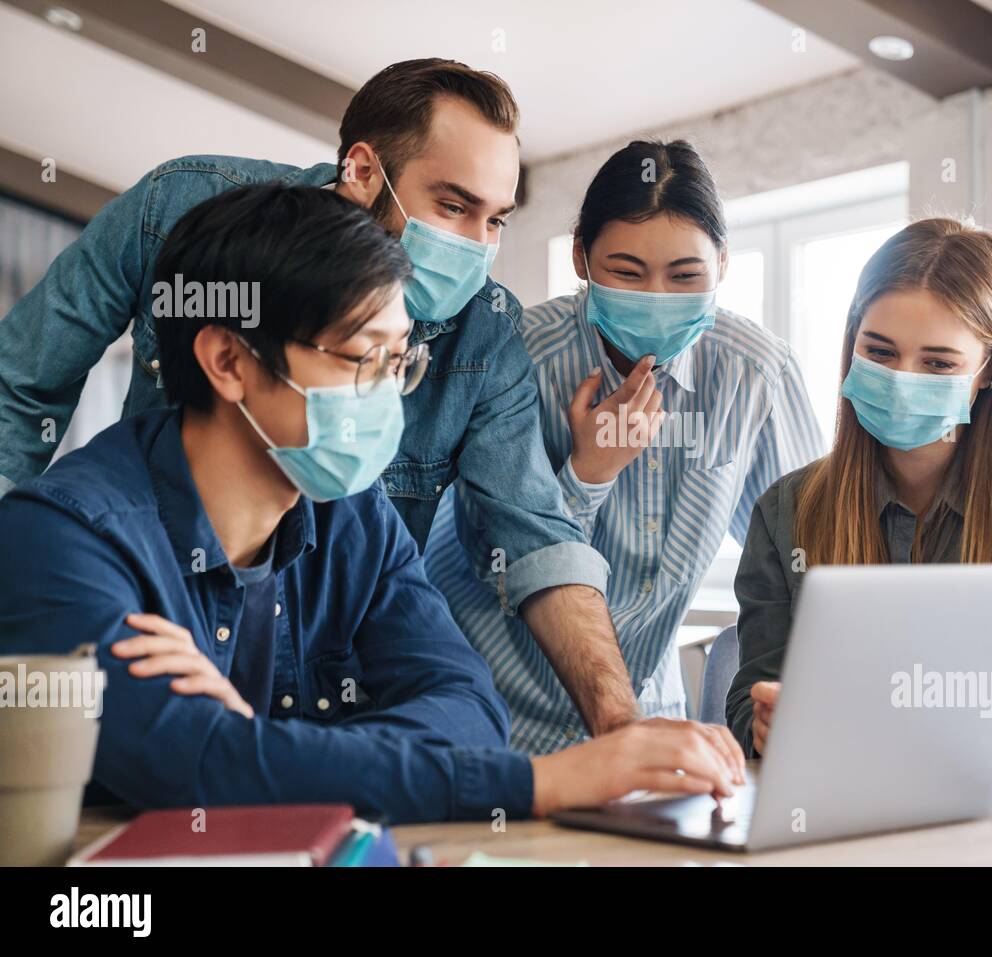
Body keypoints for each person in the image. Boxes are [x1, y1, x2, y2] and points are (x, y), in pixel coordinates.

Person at [0, 185, 746, 823]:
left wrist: (252, 745)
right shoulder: (61, 542)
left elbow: (469, 709)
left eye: (401, 362)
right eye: (362, 359)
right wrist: (541, 781)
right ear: (228, 360)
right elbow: (187, 769)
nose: (389, 394)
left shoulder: (350, 512)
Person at [0, 58, 643, 739]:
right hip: (158, 613)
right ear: (363, 170)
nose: (475, 248)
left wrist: (619, 721)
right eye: (453, 206)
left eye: (496, 222)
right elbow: (20, 388)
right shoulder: (183, 212)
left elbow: (536, 536)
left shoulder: (483, 339)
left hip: (325, 679)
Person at [426, 140, 823, 752]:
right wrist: (588, 472)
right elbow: (491, 565)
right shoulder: (518, 355)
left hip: (648, 717)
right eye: (627, 272)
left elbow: (805, 562)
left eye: (686, 275)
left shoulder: (756, 375)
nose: (658, 298)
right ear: (582, 258)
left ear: (723, 263)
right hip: (497, 718)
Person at [726, 218, 992, 760]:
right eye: (880, 352)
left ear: (990, 368)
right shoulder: (787, 509)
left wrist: (884, 718)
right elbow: (753, 697)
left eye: (938, 363)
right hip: (839, 810)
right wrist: (768, 721)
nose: (901, 377)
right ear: (851, 343)